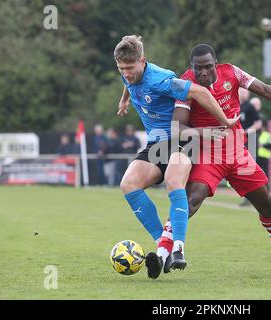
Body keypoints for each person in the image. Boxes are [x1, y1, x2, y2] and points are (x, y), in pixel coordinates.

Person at [157, 43, 271, 275]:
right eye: (197, 68)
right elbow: (177, 127)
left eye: (207, 67)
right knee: (191, 199)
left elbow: (264, 89)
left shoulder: (232, 72)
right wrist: (205, 133)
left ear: (216, 63)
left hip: (237, 154)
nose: (202, 72)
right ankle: (163, 253)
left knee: (267, 205)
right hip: (208, 155)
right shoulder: (187, 84)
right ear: (191, 68)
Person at [114, 35, 239, 279]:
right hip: (156, 142)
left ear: (143, 61)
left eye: (130, 68)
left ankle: (178, 249)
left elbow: (200, 92)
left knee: (173, 181)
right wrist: (124, 100)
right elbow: (128, 84)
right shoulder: (127, 70)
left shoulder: (162, 80)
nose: (126, 74)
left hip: (182, 139)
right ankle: (162, 244)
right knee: (128, 184)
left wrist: (224, 120)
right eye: (121, 69)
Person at [257, 120, 271, 190]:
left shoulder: (268, 135)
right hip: (258, 156)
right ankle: (260, 186)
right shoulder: (258, 134)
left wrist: (262, 145)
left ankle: (267, 186)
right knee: (258, 172)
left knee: (265, 172)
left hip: (265, 156)